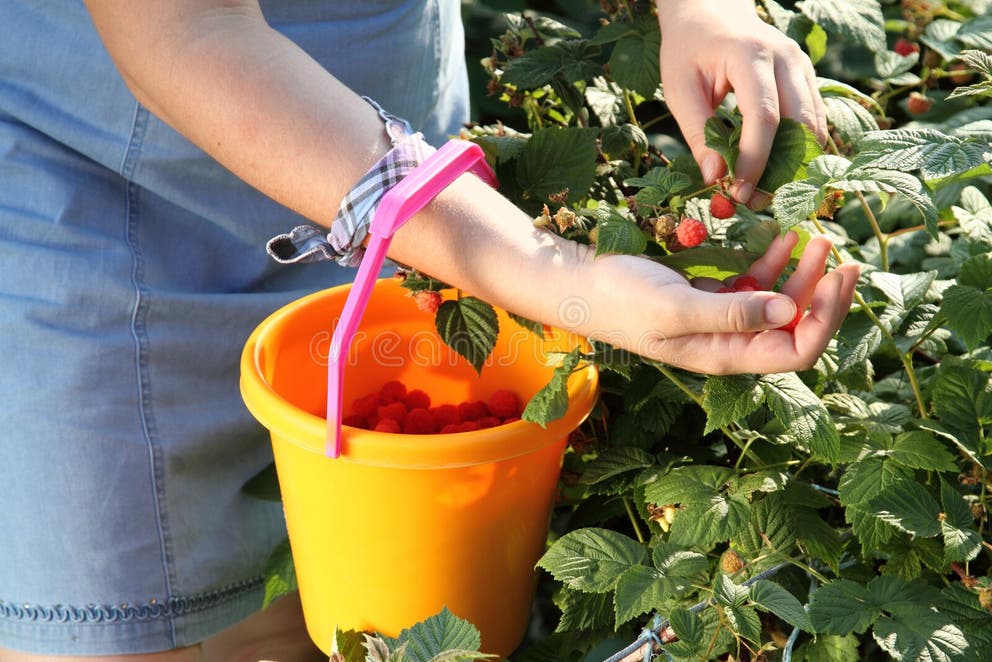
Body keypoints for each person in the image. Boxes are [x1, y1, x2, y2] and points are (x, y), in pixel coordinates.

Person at [0, 0, 858, 659]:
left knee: (358, 610)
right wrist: (555, 276)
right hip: (101, 175)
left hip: (390, 143)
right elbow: (182, 33)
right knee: (141, 629)